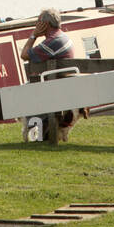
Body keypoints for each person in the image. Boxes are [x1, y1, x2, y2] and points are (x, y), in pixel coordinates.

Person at [20, 9, 81, 141]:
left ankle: (34, 138)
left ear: (45, 24)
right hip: (63, 88)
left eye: (38, 23)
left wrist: (34, 35)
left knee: (24, 93)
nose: (36, 26)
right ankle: (40, 134)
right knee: (29, 90)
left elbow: (24, 54)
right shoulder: (63, 37)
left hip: (55, 91)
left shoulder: (53, 42)